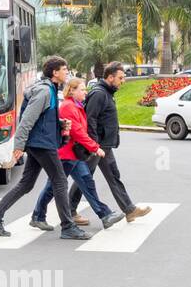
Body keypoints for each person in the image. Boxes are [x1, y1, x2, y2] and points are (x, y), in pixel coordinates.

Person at [0, 56, 84, 239]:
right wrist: (19, 146)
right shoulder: (44, 91)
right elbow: (27, 120)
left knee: (26, 184)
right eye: (64, 69)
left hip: (40, 142)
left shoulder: (49, 90)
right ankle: (68, 227)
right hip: (41, 144)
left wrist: (60, 124)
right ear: (55, 73)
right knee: (60, 181)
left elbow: (42, 118)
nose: (67, 72)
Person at [29, 77, 125, 231]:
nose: (85, 92)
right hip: (65, 154)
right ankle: (38, 216)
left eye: (85, 89)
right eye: (81, 89)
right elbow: (78, 132)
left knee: (87, 183)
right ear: (72, 91)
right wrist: (95, 147)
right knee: (52, 187)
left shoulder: (76, 106)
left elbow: (81, 130)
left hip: (74, 155)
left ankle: (105, 215)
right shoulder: (68, 107)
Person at [72, 61, 151, 222]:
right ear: (110, 77)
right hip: (97, 146)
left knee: (103, 176)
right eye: (120, 78)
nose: (123, 81)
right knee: (85, 177)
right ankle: (69, 210)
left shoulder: (106, 93)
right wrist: (93, 145)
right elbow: (90, 119)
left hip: (104, 145)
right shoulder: (99, 94)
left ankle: (129, 210)